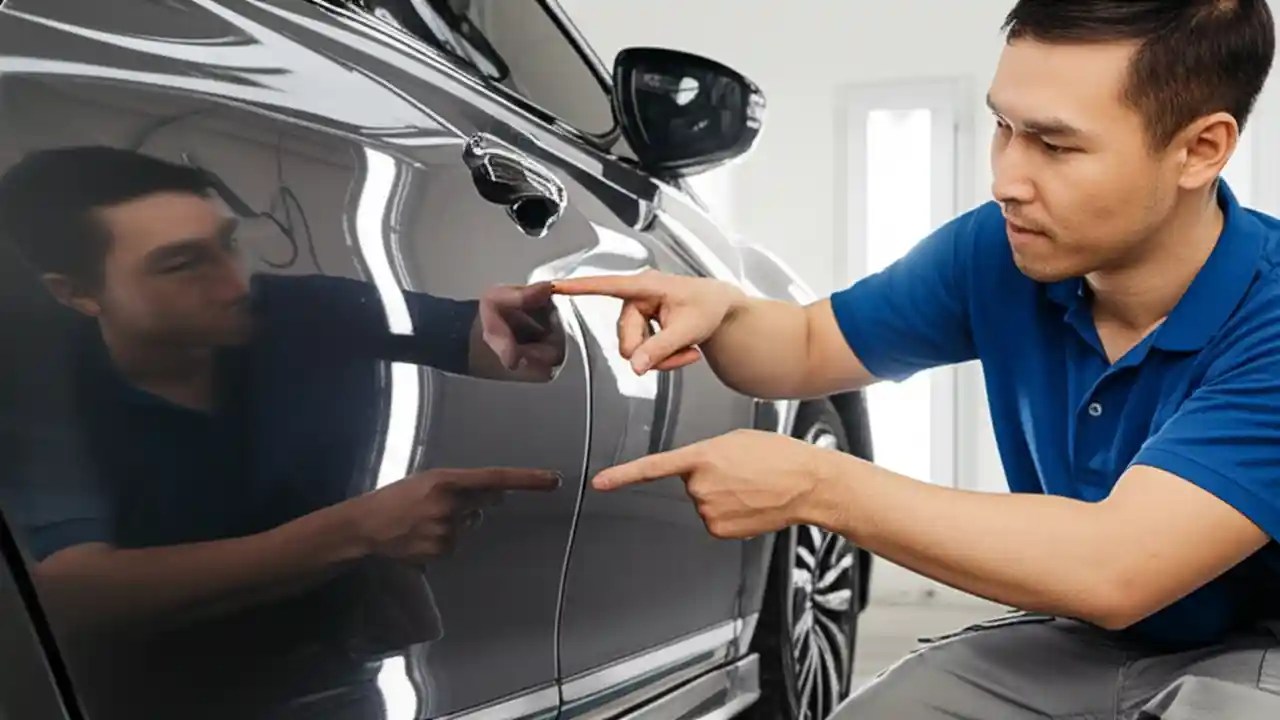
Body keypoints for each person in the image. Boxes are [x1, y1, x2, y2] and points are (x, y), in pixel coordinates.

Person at [554, 1, 1280, 717]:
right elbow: (806, 346)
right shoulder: (1000, 252)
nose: (1006, 179)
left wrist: (818, 485)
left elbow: (1116, 568)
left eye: (1055, 146)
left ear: (1201, 150)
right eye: (1004, 126)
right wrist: (721, 312)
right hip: (1093, 642)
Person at [0, 146, 564, 718]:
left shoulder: (300, 310)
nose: (235, 283)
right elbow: (66, 595)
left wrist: (535, 319)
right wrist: (360, 531)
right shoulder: (38, 386)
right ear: (75, 293)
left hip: (348, 673)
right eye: (182, 264)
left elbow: (496, 344)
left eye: (228, 243)